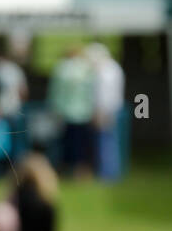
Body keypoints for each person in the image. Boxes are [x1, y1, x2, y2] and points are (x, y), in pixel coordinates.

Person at [49, 44, 96, 178]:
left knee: (66, 143)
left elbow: (55, 92)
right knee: (80, 143)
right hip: (83, 112)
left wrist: (55, 109)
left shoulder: (61, 68)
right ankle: (78, 170)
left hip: (66, 113)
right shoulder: (85, 68)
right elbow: (91, 92)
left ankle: (65, 169)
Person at [87, 42, 126, 181]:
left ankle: (108, 174)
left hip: (106, 111)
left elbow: (103, 95)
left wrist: (99, 113)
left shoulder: (104, 72)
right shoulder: (113, 68)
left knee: (106, 143)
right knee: (109, 142)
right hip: (112, 109)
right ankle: (109, 172)